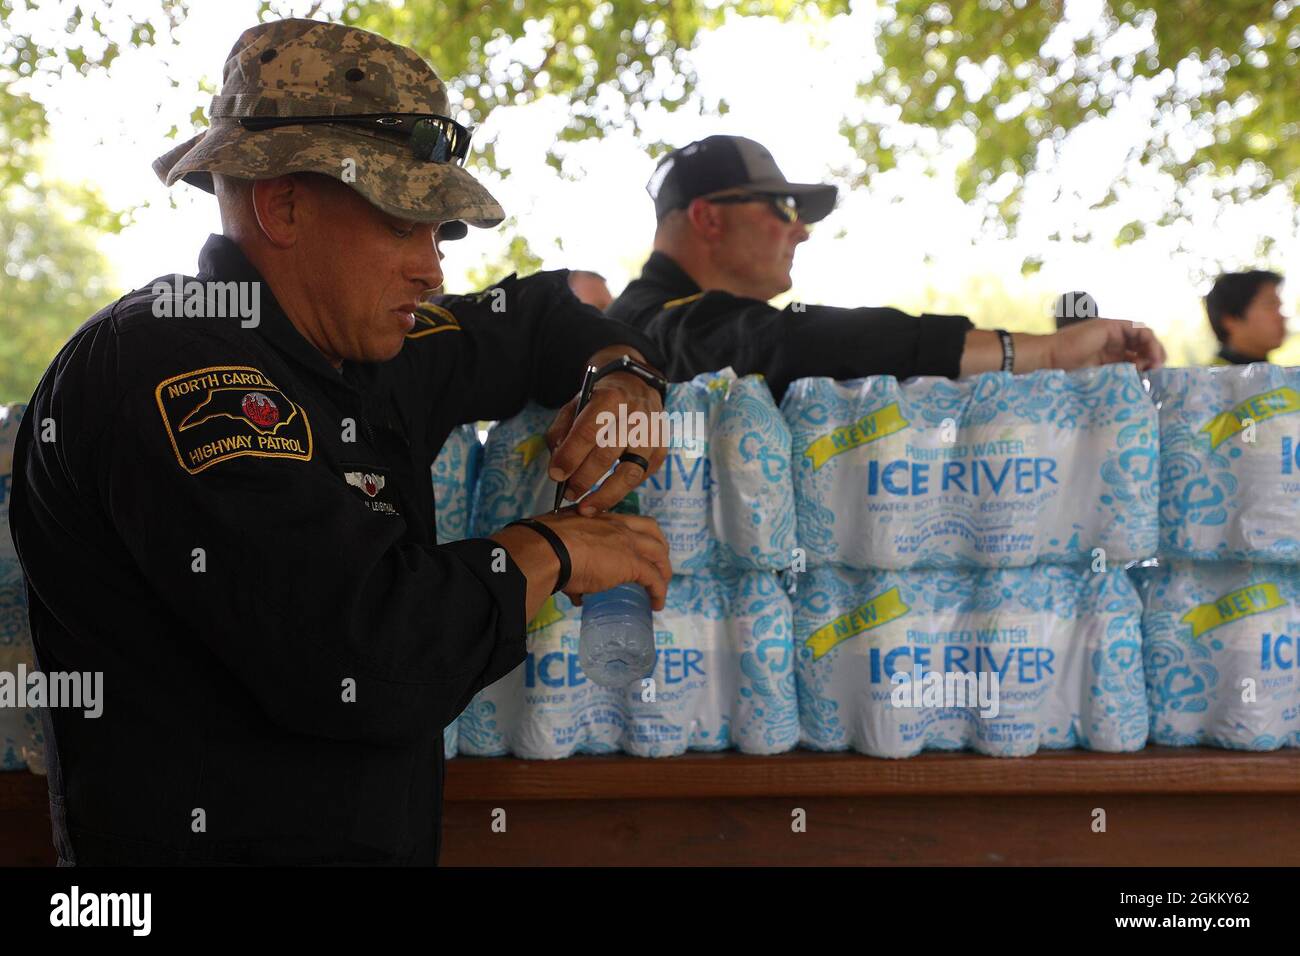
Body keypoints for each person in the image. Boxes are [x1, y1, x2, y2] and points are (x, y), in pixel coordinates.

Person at [8, 18, 674, 866]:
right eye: (404, 224)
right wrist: (556, 552)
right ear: (282, 203)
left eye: (439, 235)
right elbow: (357, 652)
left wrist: (622, 378)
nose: (432, 269)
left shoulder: (367, 347)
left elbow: (537, 318)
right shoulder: (176, 359)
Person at [607, 135, 1166, 402]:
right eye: (782, 208)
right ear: (706, 218)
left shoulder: (655, 318)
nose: (800, 229)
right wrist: (1043, 352)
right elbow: (788, 343)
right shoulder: (645, 326)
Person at [1204, 270, 1287, 365]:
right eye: (1269, 305)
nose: (1281, 317)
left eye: (1279, 307)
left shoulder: (1272, 375)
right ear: (1230, 321)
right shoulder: (1212, 379)